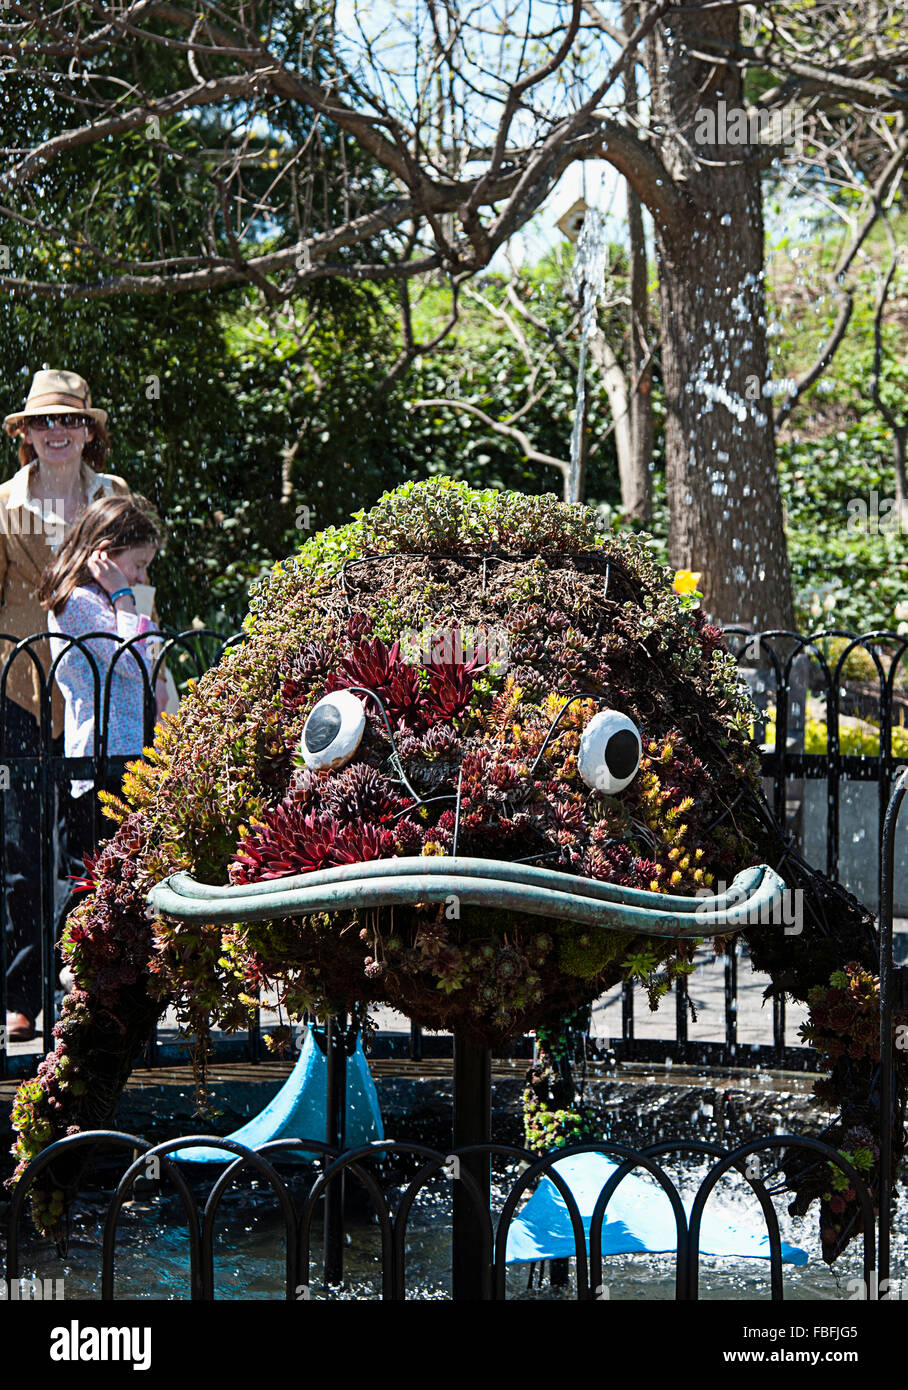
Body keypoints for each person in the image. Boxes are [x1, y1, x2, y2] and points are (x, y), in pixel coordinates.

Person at [0, 368, 159, 1041]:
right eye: (43, 422)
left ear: (89, 432)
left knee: (96, 847)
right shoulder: (3, 504)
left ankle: (93, 985)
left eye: (69, 420)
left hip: (104, 696)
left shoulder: (115, 496)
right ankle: (21, 997)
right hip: (22, 688)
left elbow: (143, 581)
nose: (56, 431)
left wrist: (143, 649)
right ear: (26, 435)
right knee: (18, 845)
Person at [38, 497, 167, 931]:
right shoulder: (80, 602)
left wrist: (130, 597)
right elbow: (133, 662)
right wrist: (127, 596)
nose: (143, 576)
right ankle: (69, 967)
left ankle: (98, 968)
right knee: (93, 877)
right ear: (105, 555)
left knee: (120, 873)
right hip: (102, 756)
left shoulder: (108, 599)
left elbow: (150, 667)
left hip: (129, 750)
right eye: (138, 563)